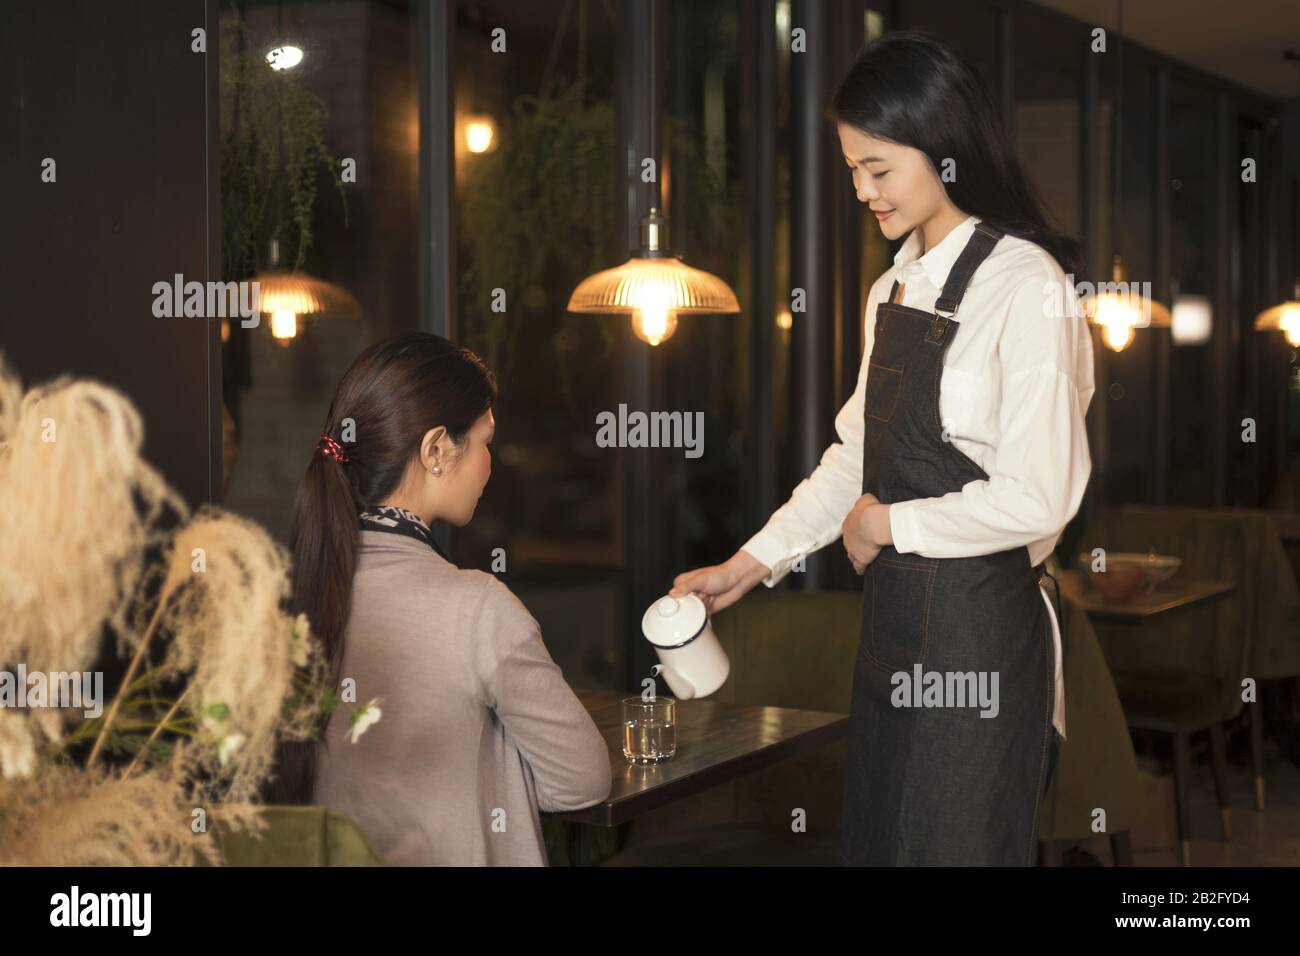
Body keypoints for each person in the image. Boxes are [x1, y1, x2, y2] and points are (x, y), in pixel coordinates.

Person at [671, 30, 1095, 865]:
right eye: (851, 170)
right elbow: (854, 457)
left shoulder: (1027, 284)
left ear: (944, 150)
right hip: (894, 636)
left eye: (878, 168)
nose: (862, 190)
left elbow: (1041, 495)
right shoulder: (890, 289)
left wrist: (886, 528)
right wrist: (748, 565)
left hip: (981, 641)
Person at [270, 331, 610, 865]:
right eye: (485, 441)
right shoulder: (477, 607)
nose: (490, 463)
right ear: (435, 450)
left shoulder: (284, 597)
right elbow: (582, 783)